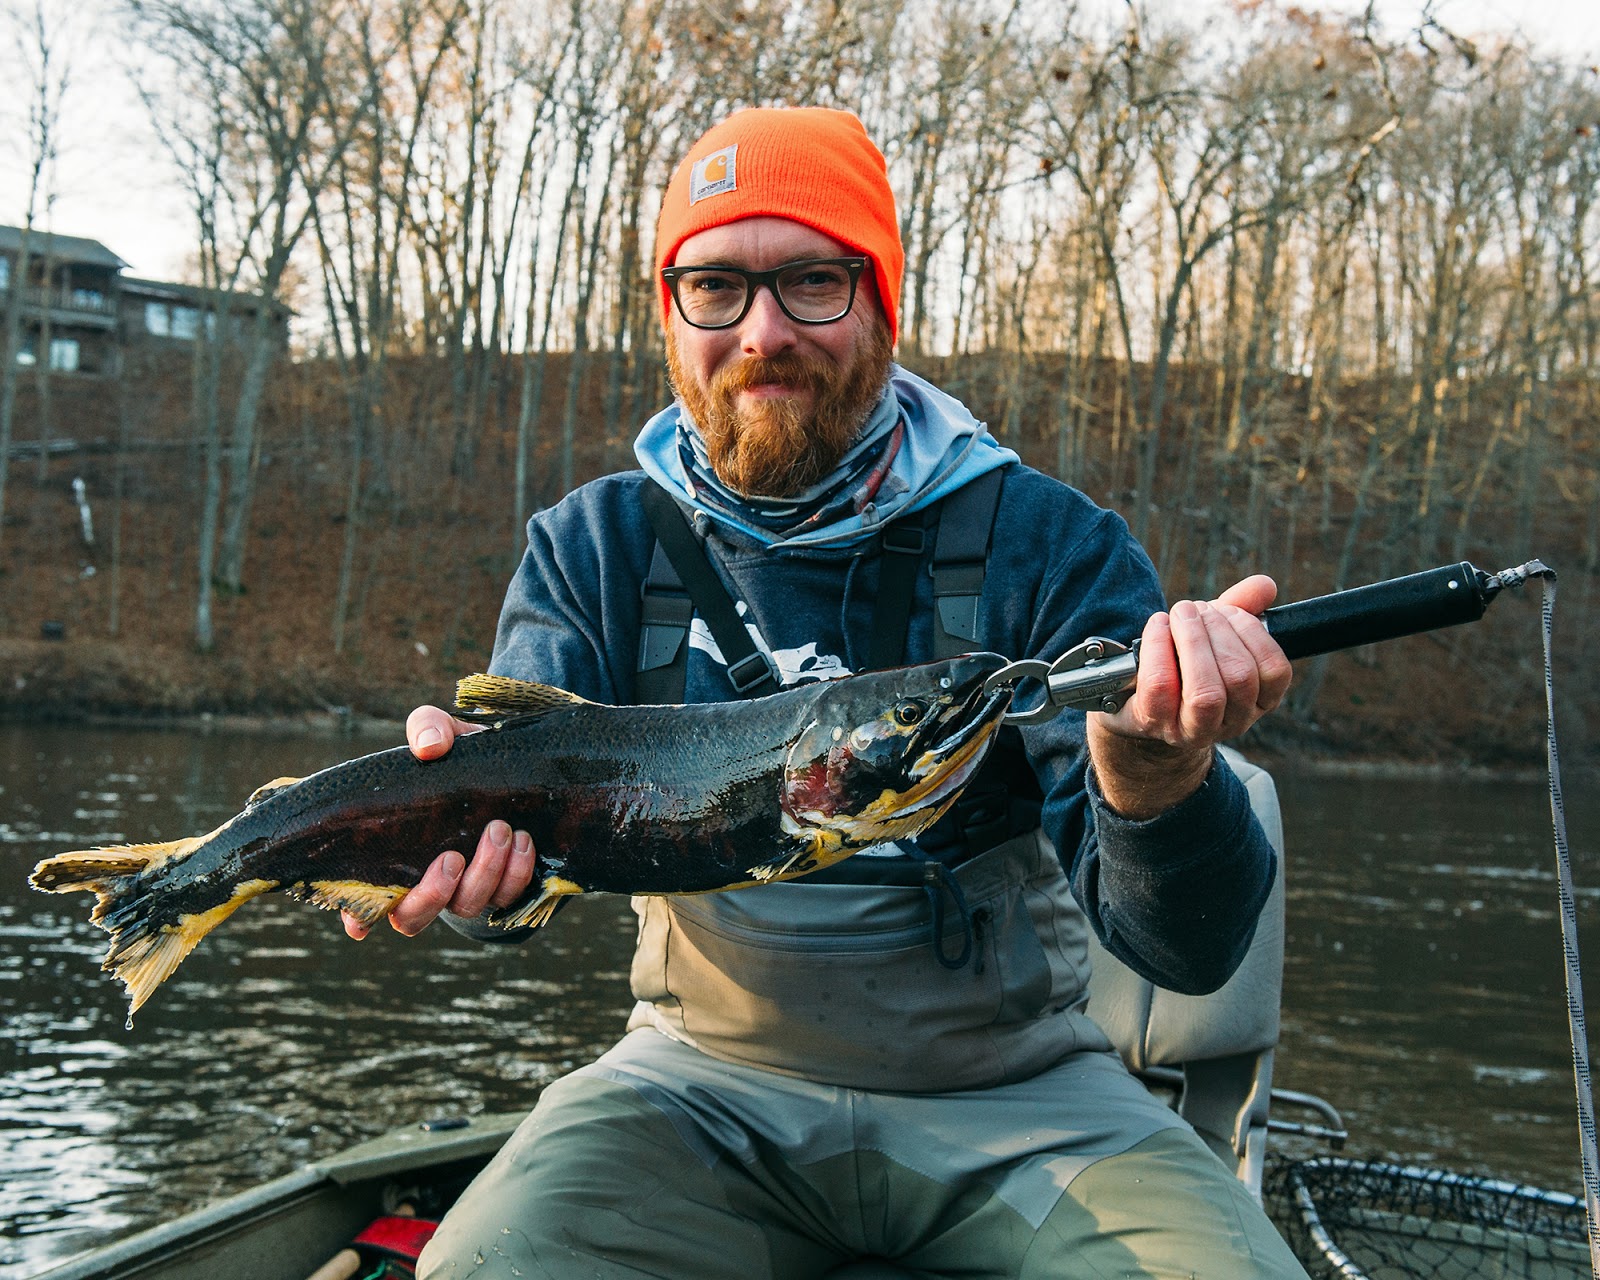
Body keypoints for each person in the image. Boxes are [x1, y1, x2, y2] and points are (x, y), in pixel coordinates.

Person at [348, 106, 1309, 1279]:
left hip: (1022, 1100)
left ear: (881, 302)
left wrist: (1159, 775)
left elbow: (1186, 950)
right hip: (693, 1089)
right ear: (670, 315)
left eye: (813, 281)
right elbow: (501, 880)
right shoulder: (593, 549)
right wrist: (465, 874)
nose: (762, 332)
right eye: (715, 286)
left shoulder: (1049, 543)